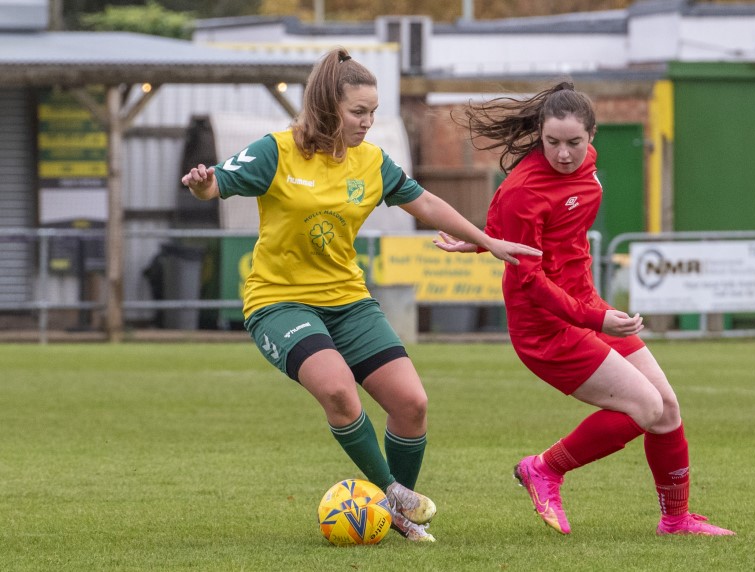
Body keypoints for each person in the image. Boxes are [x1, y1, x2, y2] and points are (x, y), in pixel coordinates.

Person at [180, 47, 541, 543]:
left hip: (348, 301)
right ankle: (392, 492)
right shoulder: (276, 151)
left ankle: (397, 517)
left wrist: (488, 240)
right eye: (359, 112)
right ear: (328, 107)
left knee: (412, 403)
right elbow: (215, 184)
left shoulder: (371, 161)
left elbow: (428, 202)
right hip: (279, 302)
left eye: (373, 111)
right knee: (337, 390)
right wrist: (202, 184)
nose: (369, 121)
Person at [434, 81, 735, 537]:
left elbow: (528, 235)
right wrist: (594, 318)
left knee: (667, 409)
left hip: (586, 307)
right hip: (547, 327)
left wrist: (481, 240)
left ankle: (676, 521)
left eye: (574, 142)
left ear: (592, 135)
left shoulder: (587, 165)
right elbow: (528, 277)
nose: (563, 153)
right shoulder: (524, 189)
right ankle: (543, 468)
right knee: (645, 408)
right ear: (540, 135)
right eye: (552, 142)